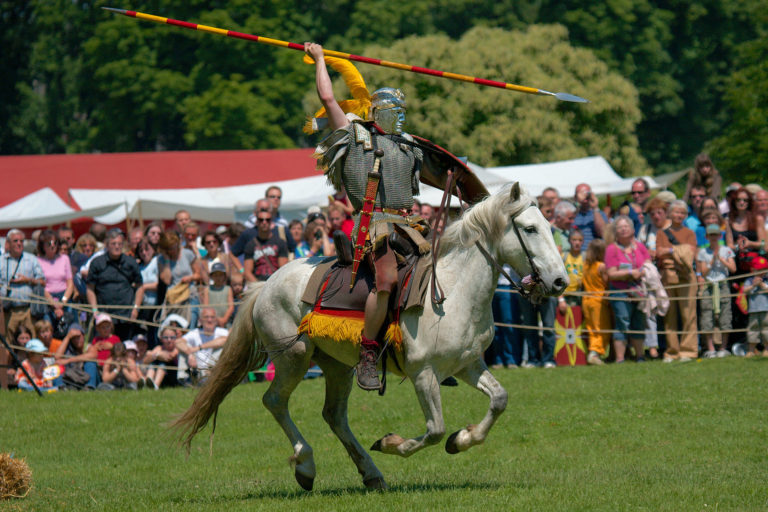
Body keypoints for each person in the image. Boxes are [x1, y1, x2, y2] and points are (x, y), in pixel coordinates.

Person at [307, 41, 438, 390]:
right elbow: (329, 100)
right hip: (374, 225)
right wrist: (321, 58)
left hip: (409, 224)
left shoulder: (408, 143)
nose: (402, 117)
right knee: (387, 282)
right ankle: (368, 353)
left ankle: (430, 346)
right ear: (378, 111)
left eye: (404, 111)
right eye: (397, 111)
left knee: (438, 274)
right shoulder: (354, 137)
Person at [0, 229, 45, 390]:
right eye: (15, 241)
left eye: (21, 241)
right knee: (6, 346)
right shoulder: (1, 261)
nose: (19, 243)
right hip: (8, 310)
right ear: (8, 244)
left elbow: (42, 281)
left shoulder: (31, 259)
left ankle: (34, 379)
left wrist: (28, 280)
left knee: (32, 344)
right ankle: (4, 382)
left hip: (28, 309)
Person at [656, 200, 698, 362]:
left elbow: (691, 252)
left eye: (683, 213)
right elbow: (659, 253)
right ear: (670, 214)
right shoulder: (662, 233)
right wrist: (679, 251)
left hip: (686, 276)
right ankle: (672, 351)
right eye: (676, 212)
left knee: (689, 315)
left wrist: (670, 251)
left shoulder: (689, 233)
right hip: (668, 276)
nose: (679, 215)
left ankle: (689, 351)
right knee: (670, 315)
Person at [605, 216, 650, 363]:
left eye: (626, 226)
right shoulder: (611, 249)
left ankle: (640, 356)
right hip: (620, 291)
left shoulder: (640, 247)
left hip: (639, 290)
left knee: (639, 323)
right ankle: (620, 358)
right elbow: (611, 273)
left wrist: (642, 271)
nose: (623, 229)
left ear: (632, 229)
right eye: (620, 227)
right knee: (622, 322)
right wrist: (630, 273)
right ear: (616, 232)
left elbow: (648, 264)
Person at [86, 229, 142, 341]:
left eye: (120, 244)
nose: (117, 247)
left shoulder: (130, 263)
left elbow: (140, 287)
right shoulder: (97, 263)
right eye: (113, 244)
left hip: (125, 315)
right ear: (107, 245)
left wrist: (136, 309)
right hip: (104, 316)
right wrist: (94, 310)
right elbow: (90, 288)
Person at [697, 223, 736, 358]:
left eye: (716, 235)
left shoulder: (726, 250)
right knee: (707, 315)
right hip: (709, 285)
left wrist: (723, 261)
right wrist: (712, 260)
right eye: (711, 235)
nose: (713, 238)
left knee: (725, 314)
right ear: (707, 237)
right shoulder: (703, 252)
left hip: (723, 284)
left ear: (720, 236)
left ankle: (723, 347)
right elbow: (703, 272)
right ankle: (711, 348)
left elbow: (733, 268)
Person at [175, 307, 228, 384]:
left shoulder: (222, 332)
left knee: (221, 349)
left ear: (216, 320)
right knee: (184, 348)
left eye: (212, 317)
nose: (209, 320)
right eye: (206, 317)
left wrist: (199, 347)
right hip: (197, 370)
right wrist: (189, 354)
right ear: (200, 320)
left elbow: (224, 340)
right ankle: (184, 379)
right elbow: (178, 342)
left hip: (213, 371)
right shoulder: (195, 332)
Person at [582, 240, 611, 365]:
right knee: (601, 328)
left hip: (586, 300)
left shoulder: (585, 264)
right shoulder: (601, 266)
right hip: (598, 301)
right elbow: (606, 282)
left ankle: (594, 352)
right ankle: (595, 353)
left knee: (592, 328)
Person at [36, 230, 74, 324]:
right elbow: (41, 284)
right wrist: (53, 304)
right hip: (47, 299)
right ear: (42, 245)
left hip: (64, 297)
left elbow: (70, 283)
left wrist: (63, 302)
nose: (52, 245)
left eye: (55, 243)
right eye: (49, 243)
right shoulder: (38, 261)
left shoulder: (65, 258)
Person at [489, 265, 522, 369]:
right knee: (495, 326)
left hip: (508, 285)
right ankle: (498, 359)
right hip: (493, 285)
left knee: (508, 324)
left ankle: (511, 359)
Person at [243, 209, 289, 282]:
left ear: (271, 222)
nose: (264, 222)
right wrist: (258, 287)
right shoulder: (250, 245)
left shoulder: (280, 242)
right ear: (257, 222)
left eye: (267, 220)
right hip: (257, 285)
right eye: (261, 220)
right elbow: (247, 272)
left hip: (275, 284)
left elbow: (283, 270)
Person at [725, 187, 766, 258]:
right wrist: (738, 246)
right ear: (734, 201)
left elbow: (764, 244)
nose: (742, 202)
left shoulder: (757, 219)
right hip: (737, 259)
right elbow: (729, 245)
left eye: (745, 200)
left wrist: (750, 243)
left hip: (755, 261)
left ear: (749, 202)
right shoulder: (728, 220)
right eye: (738, 200)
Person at [741, 256, 768, 357]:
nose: (762, 272)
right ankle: (751, 350)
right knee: (753, 329)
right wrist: (753, 285)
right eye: (759, 270)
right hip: (753, 310)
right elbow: (744, 291)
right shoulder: (749, 280)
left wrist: (761, 285)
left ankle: (766, 349)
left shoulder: (766, 279)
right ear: (752, 270)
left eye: (764, 269)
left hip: (766, 309)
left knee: (766, 329)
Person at [134, 239, 159, 345]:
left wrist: (143, 287)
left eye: (147, 249)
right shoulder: (139, 267)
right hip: (143, 308)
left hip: (156, 308)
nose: (144, 253)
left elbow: (159, 284)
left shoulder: (157, 262)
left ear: (153, 250)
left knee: (154, 336)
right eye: (141, 250)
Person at [573, 183, 607, 252]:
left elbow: (603, 233)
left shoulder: (599, 213)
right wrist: (578, 203)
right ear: (575, 196)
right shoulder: (572, 213)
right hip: (575, 256)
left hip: (594, 254)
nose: (585, 195)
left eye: (587, 193)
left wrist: (595, 207)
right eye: (581, 193)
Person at [560, 229, 584, 310]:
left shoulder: (585, 258)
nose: (577, 243)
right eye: (574, 240)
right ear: (569, 241)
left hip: (580, 296)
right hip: (565, 295)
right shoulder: (563, 256)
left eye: (580, 240)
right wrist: (561, 299)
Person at [204, 262, 234, 328]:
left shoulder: (228, 289)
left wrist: (224, 319)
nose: (218, 277)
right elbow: (206, 306)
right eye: (215, 275)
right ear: (211, 276)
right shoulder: (207, 289)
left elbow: (231, 307)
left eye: (220, 275)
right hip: (211, 321)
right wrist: (216, 319)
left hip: (226, 322)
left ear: (224, 276)